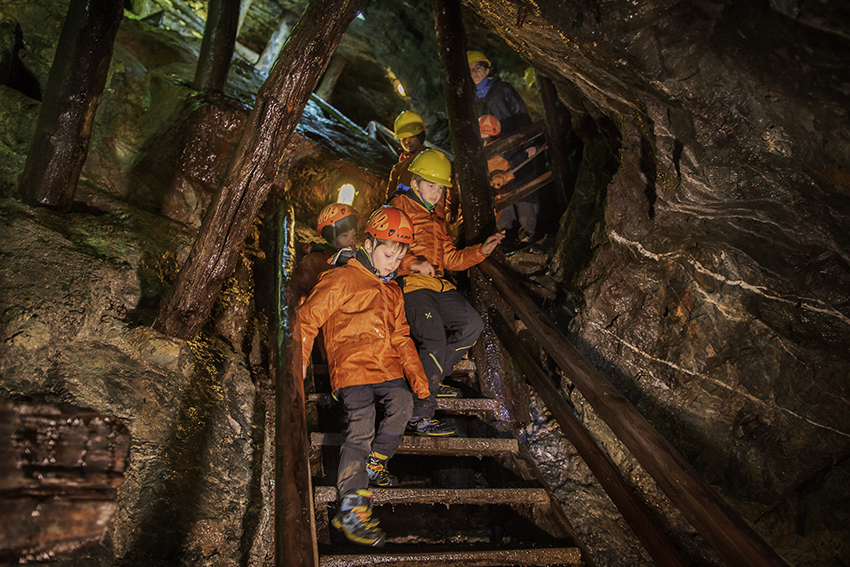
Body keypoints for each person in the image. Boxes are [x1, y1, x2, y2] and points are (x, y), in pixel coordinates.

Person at [297, 206, 429, 547]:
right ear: (369, 245)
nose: (392, 264)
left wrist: (418, 377)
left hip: (386, 367)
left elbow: (400, 337)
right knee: (362, 423)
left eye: (398, 258)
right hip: (352, 367)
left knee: (403, 403)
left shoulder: (392, 291)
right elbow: (308, 318)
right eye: (387, 254)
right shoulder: (341, 278)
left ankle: (374, 462)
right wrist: (298, 365)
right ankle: (353, 508)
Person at [388, 149, 504, 436]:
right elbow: (383, 248)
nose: (437, 193)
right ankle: (420, 414)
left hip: (440, 286)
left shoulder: (437, 218)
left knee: (472, 324)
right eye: (431, 185)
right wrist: (413, 262)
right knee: (434, 339)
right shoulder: (398, 208)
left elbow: (450, 259)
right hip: (412, 286)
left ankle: (431, 380)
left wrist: (482, 251)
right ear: (415, 182)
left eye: (440, 188)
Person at [468, 50, 539, 245]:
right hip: (490, 155)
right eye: (471, 71)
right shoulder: (470, 99)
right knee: (499, 193)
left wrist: (530, 143)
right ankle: (506, 240)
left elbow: (521, 115)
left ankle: (529, 236)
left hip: (514, 147)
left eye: (478, 68)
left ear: (487, 69)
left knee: (524, 187)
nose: (475, 73)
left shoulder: (503, 89)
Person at [385, 110, 459, 223]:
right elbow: (389, 199)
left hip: (431, 220)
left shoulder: (435, 160)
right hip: (404, 222)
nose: (407, 142)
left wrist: (449, 210)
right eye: (403, 139)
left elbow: (449, 187)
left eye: (411, 137)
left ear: (420, 136)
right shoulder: (398, 168)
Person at [291, 203, 359, 306]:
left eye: (354, 235)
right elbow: (296, 291)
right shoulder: (315, 261)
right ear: (331, 237)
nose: (351, 240)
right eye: (345, 235)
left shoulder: (355, 262)